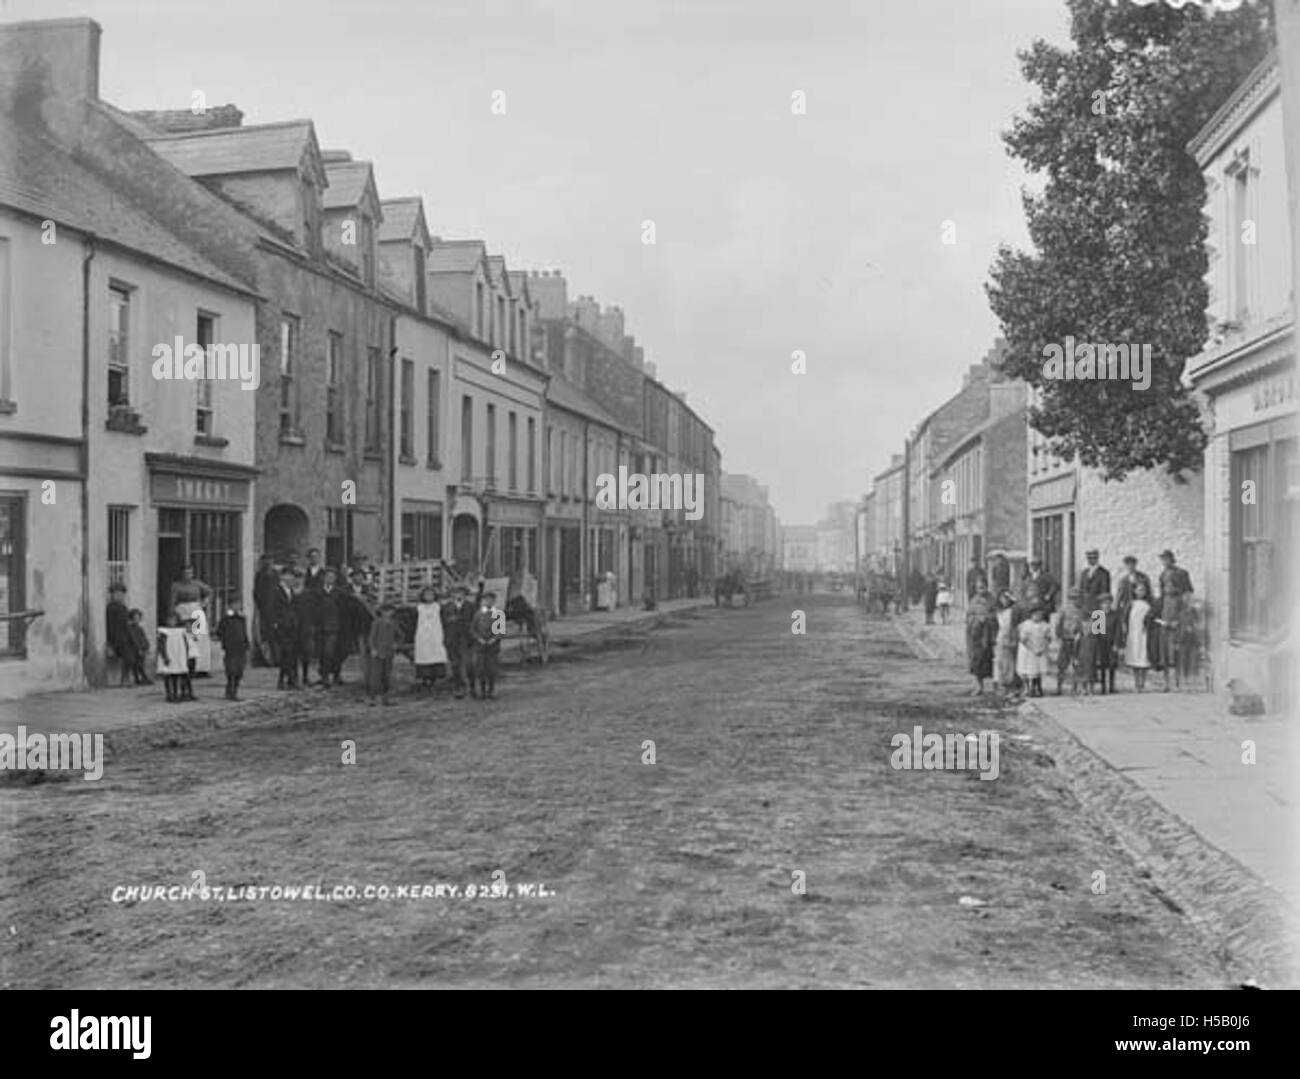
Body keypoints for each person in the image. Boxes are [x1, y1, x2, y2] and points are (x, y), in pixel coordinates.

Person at [1156, 549, 1194, 692]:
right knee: (1165, 651)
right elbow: (1160, 598)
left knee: (1178, 651)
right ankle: (1166, 683)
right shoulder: (1162, 576)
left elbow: (1188, 594)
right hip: (1166, 613)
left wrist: (1183, 618)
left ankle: (1178, 682)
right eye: (1162, 560)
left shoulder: (1182, 574)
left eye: (1167, 559)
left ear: (1172, 559)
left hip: (1178, 617)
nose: (1165, 562)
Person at [168, 564, 213, 675]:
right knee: (187, 638)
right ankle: (187, 666)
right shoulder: (176, 586)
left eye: (190, 573)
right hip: (183, 611)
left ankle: (202, 668)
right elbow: (172, 601)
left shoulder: (196, 584)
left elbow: (209, 591)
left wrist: (204, 603)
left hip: (196, 610)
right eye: (186, 573)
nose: (189, 576)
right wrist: (173, 613)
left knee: (200, 638)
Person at [441, 583, 475, 699]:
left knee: (468, 663)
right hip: (451, 639)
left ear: (465, 594)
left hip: (466, 638)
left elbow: (475, 621)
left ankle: (472, 687)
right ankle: (459, 688)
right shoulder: (446, 607)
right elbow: (442, 623)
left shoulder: (470, 606)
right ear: (451, 594)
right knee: (455, 664)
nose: (458, 595)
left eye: (461, 592)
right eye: (455, 592)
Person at [470, 590, 506, 700]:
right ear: (483, 601)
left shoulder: (498, 613)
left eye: (491, 600)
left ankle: (491, 690)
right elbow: (473, 629)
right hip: (480, 646)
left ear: (494, 601)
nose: (489, 602)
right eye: (486, 600)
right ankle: (482, 690)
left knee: (491, 668)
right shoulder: (478, 614)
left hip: (493, 646)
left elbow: (501, 631)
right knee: (480, 668)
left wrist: (494, 639)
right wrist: (479, 639)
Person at [412, 586, 448, 693]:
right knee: (424, 656)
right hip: (423, 636)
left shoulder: (438, 607)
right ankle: (425, 681)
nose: (429, 597)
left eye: (431, 594)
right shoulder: (419, 607)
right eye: (426, 595)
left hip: (435, 635)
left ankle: (434, 681)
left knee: (436, 654)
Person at [965, 579, 997, 695]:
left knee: (991, 660)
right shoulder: (973, 601)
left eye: (983, 587)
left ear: (987, 587)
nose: (981, 590)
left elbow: (996, 615)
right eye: (979, 587)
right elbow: (968, 617)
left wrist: (988, 618)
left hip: (989, 635)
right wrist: (976, 620)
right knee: (977, 661)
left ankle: (995, 686)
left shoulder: (992, 600)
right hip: (976, 636)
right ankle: (979, 686)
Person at [313, 568, 345, 687]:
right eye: (328, 576)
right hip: (320, 626)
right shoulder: (317, 592)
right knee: (322, 652)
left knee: (331, 651)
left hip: (334, 626)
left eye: (332, 577)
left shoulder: (339, 593)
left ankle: (335, 674)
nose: (330, 579)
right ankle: (324, 675)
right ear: (323, 578)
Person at [1124, 579, 1156, 693]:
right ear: (1134, 591)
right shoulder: (1131, 604)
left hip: (1145, 634)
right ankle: (1136, 683)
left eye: (1143, 590)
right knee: (1135, 657)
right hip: (1133, 633)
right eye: (1139, 590)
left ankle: (1142, 683)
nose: (1141, 592)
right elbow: (1125, 619)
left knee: (1144, 657)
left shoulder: (1150, 604)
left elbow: (1153, 618)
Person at [271, 569, 300, 690]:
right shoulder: (276, 591)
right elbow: (271, 608)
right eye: (287, 577)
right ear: (283, 577)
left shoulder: (292, 592)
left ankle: (284, 680)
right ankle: (291, 679)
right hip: (282, 626)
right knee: (286, 652)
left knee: (290, 654)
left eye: (292, 577)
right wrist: (275, 622)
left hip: (292, 626)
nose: (290, 579)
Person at [215, 598, 250, 701]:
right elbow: (219, 632)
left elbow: (244, 633)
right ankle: (230, 691)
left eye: (238, 604)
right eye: (234, 604)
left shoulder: (242, 619)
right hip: (230, 647)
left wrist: (247, 644)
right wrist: (225, 640)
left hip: (241, 647)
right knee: (231, 670)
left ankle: (235, 691)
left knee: (239, 670)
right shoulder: (225, 619)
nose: (237, 607)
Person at [156, 611, 195, 703]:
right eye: (170, 620)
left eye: (174, 619)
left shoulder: (181, 631)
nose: (172, 622)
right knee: (168, 675)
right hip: (169, 655)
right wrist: (165, 656)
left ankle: (177, 693)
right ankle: (169, 694)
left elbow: (185, 644)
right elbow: (161, 645)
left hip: (178, 655)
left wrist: (186, 655)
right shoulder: (163, 631)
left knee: (177, 675)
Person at [367, 603, 400, 706]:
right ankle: (372, 698)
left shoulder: (393, 623)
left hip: (389, 652)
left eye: (390, 611)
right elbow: (371, 637)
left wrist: (396, 643)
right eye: (386, 611)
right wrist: (373, 648)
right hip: (378, 652)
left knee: (387, 675)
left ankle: (385, 698)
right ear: (381, 612)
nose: (388, 613)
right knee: (375, 676)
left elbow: (400, 635)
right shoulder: (376, 623)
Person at [106, 583, 137, 686]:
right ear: (112, 595)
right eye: (116, 594)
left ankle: (127, 678)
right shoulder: (111, 608)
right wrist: (110, 641)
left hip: (125, 635)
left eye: (121, 594)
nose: (119, 596)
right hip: (117, 636)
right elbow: (110, 624)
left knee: (132, 657)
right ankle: (124, 679)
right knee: (129, 657)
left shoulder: (123, 607)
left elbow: (126, 623)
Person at [253, 554, 281, 666]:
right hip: (265, 609)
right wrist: (260, 606)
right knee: (267, 634)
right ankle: (271, 658)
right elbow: (257, 592)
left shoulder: (275, 575)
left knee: (276, 634)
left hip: (275, 608)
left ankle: (277, 657)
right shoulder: (259, 575)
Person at [1017, 607, 1051, 698]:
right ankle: (1028, 688)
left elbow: (1048, 638)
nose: (1038, 616)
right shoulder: (1026, 625)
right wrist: (1033, 649)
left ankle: (1038, 688)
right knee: (1028, 670)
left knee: (1038, 670)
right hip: (1029, 650)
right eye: (1036, 614)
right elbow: (1023, 640)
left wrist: (1043, 647)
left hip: (1040, 649)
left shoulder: (1045, 625)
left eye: (1040, 614)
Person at [994, 590, 1019, 698]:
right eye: (1003, 598)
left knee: (1010, 663)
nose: (1005, 601)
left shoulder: (1013, 611)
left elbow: (1014, 626)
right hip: (1001, 638)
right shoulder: (998, 612)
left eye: (1007, 599)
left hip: (1011, 637)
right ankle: (1001, 685)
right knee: (1000, 662)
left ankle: (1011, 686)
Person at [1114, 556, 1151, 630]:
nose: (1130, 567)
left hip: (1140, 608)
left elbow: (1148, 593)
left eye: (1132, 565)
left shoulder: (1143, 577)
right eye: (1128, 565)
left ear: (1135, 565)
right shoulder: (1123, 581)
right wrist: (1116, 609)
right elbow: (1119, 597)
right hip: (1128, 609)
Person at [1092, 593, 1119, 695]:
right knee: (1103, 665)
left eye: (1108, 603)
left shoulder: (1114, 615)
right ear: (1100, 605)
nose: (1106, 605)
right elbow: (1095, 631)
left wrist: (1116, 643)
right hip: (1101, 642)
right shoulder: (1098, 615)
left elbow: (1118, 630)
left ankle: (1112, 686)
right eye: (1104, 603)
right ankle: (1103, 686)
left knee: (1112, 664)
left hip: (1111, 641)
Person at [1078, 548, 1111, 614]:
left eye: (1093, 558)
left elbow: (1105, 592)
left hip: (1098, 607)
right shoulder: (1084, 573)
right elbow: (1081, 590)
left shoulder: (1104, 573)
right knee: (1085, 624)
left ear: (1097, 558)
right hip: (1085, 608)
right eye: (1089, 558)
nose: (1091, 560)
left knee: (1098, 624)